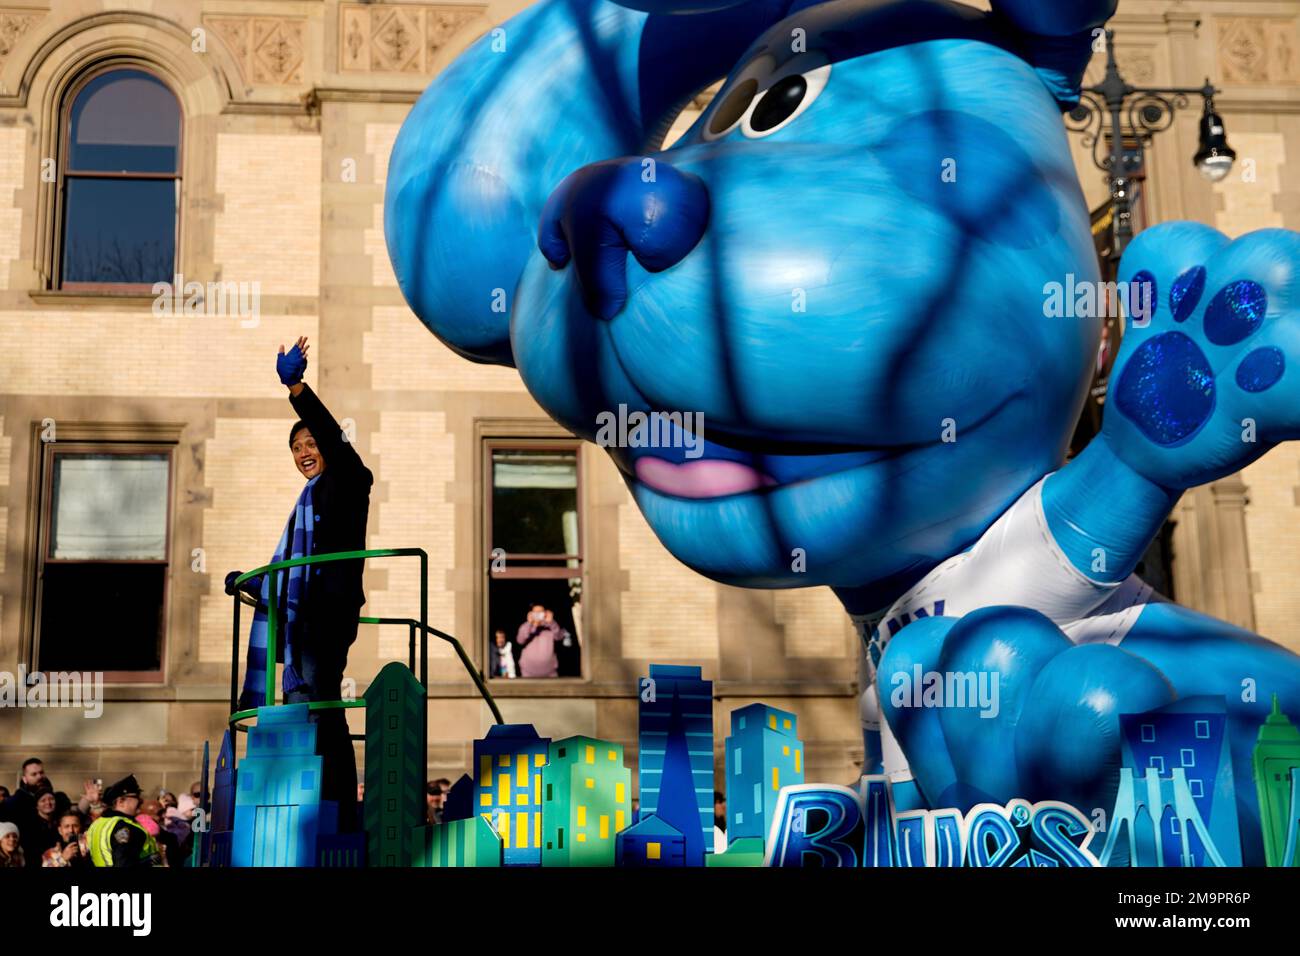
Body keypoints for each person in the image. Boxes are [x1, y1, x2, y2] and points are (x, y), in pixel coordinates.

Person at [225, 336, 373, 833]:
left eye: (310, 444)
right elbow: (288, 572)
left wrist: (297, 388)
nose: (305, 453)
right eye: (296, 447)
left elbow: (335, 439)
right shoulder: (303, 504)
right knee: (311, 708)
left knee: (318, 701)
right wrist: (249, 587)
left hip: (327, 613)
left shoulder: (348, 480)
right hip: (303, 616)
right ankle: (316, 812)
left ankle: (334, 815)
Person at [86, 775, 162, 868]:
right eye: (136, 796)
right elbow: (124, 862)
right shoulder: (124, 827)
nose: (141, 800)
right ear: (121, 801)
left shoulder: (96, 824)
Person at [514, 604, 560, 678]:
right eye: (536, 612)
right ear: (531, 613)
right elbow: (520, 640)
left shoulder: (551, 626)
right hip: (528, 672)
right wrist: (530, 623)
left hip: (550, 673)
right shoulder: (525, 626)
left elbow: (559, 637)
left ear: (545, 613)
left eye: (540, 612)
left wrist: (551, 622)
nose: (538, 614)